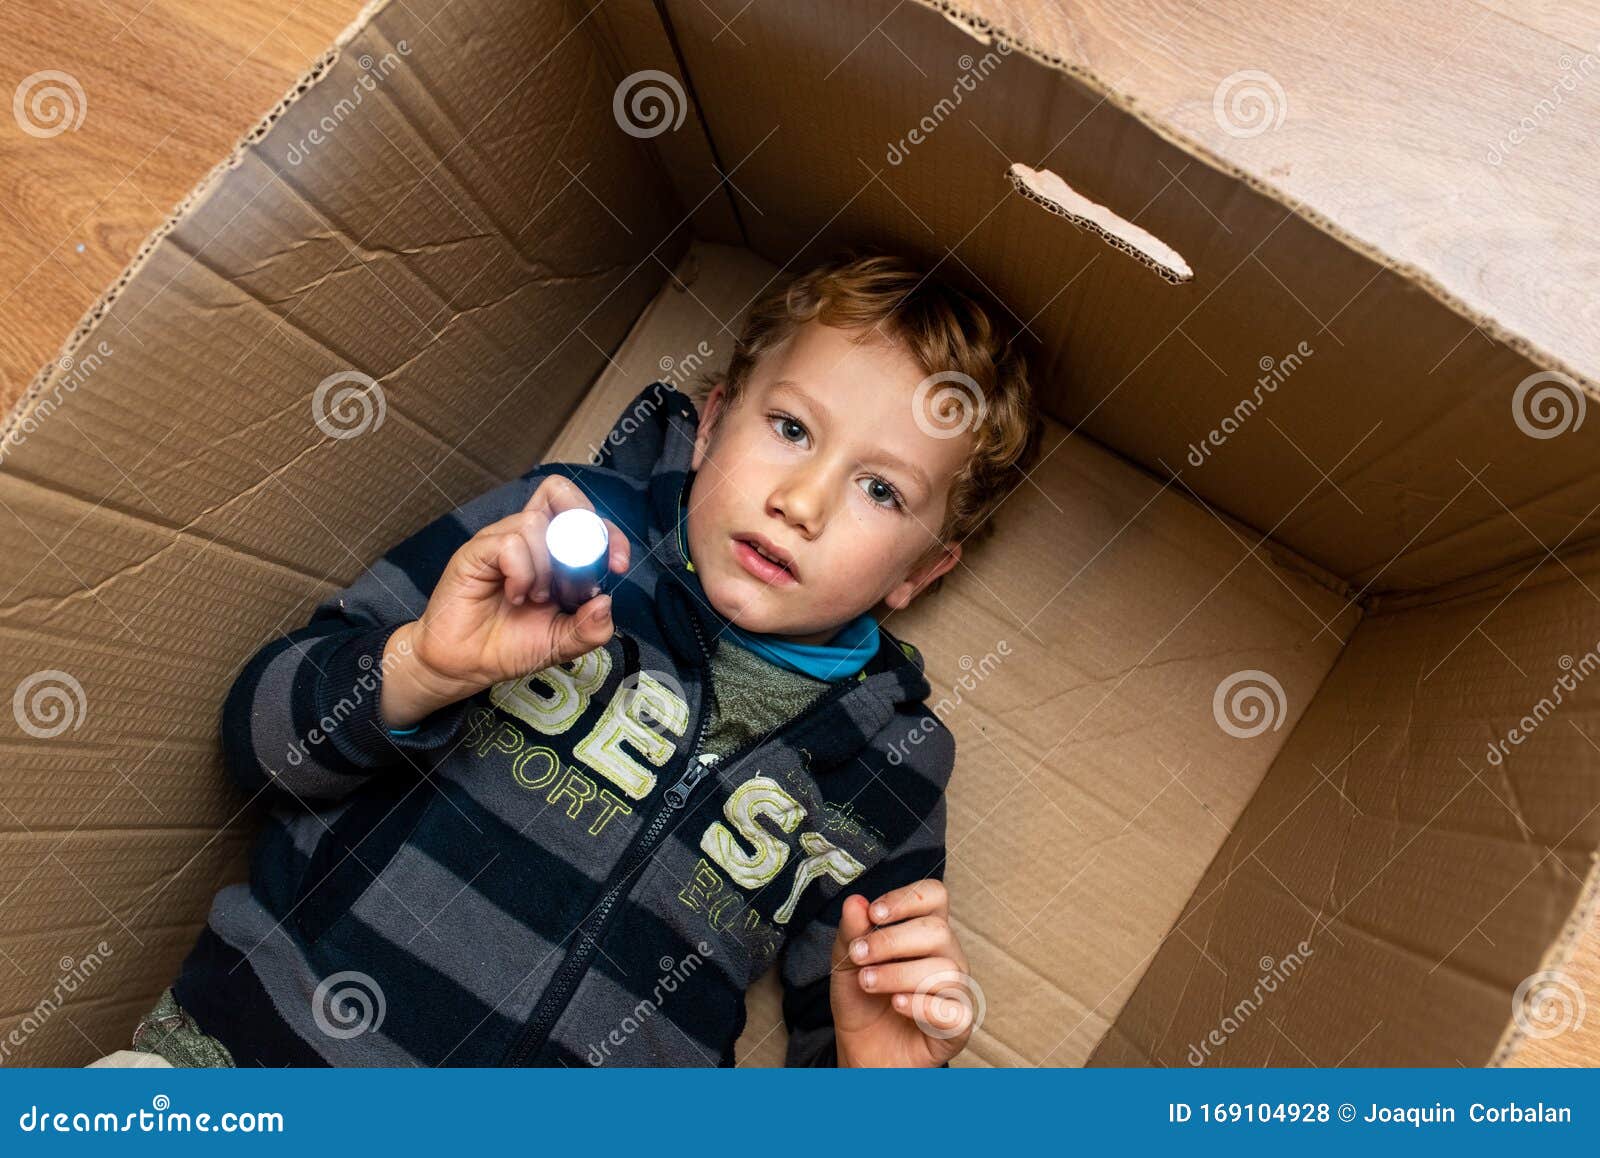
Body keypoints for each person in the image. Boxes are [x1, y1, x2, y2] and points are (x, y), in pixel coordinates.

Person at [126, 249, 1042, 1067]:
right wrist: (422, 670)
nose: (802, 502)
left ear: (919, 571)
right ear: (716, 421)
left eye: (880, 489)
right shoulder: (559, 530)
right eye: (793, 429)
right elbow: (256, 742)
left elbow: (834, 1033)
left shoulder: (894, 762)